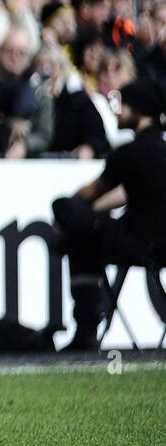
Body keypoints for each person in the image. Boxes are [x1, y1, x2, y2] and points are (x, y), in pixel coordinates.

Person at [51, 79, 166, 350]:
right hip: (160, 246)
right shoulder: (160, 152)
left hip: (139, 244)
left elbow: (91, 192)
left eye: (120, 105)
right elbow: (124, 194)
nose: (116, 111)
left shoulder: (129, 153)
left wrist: (71, 215)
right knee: (83, 229)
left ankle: (87, 327)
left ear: (137, 110)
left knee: (67, 213)